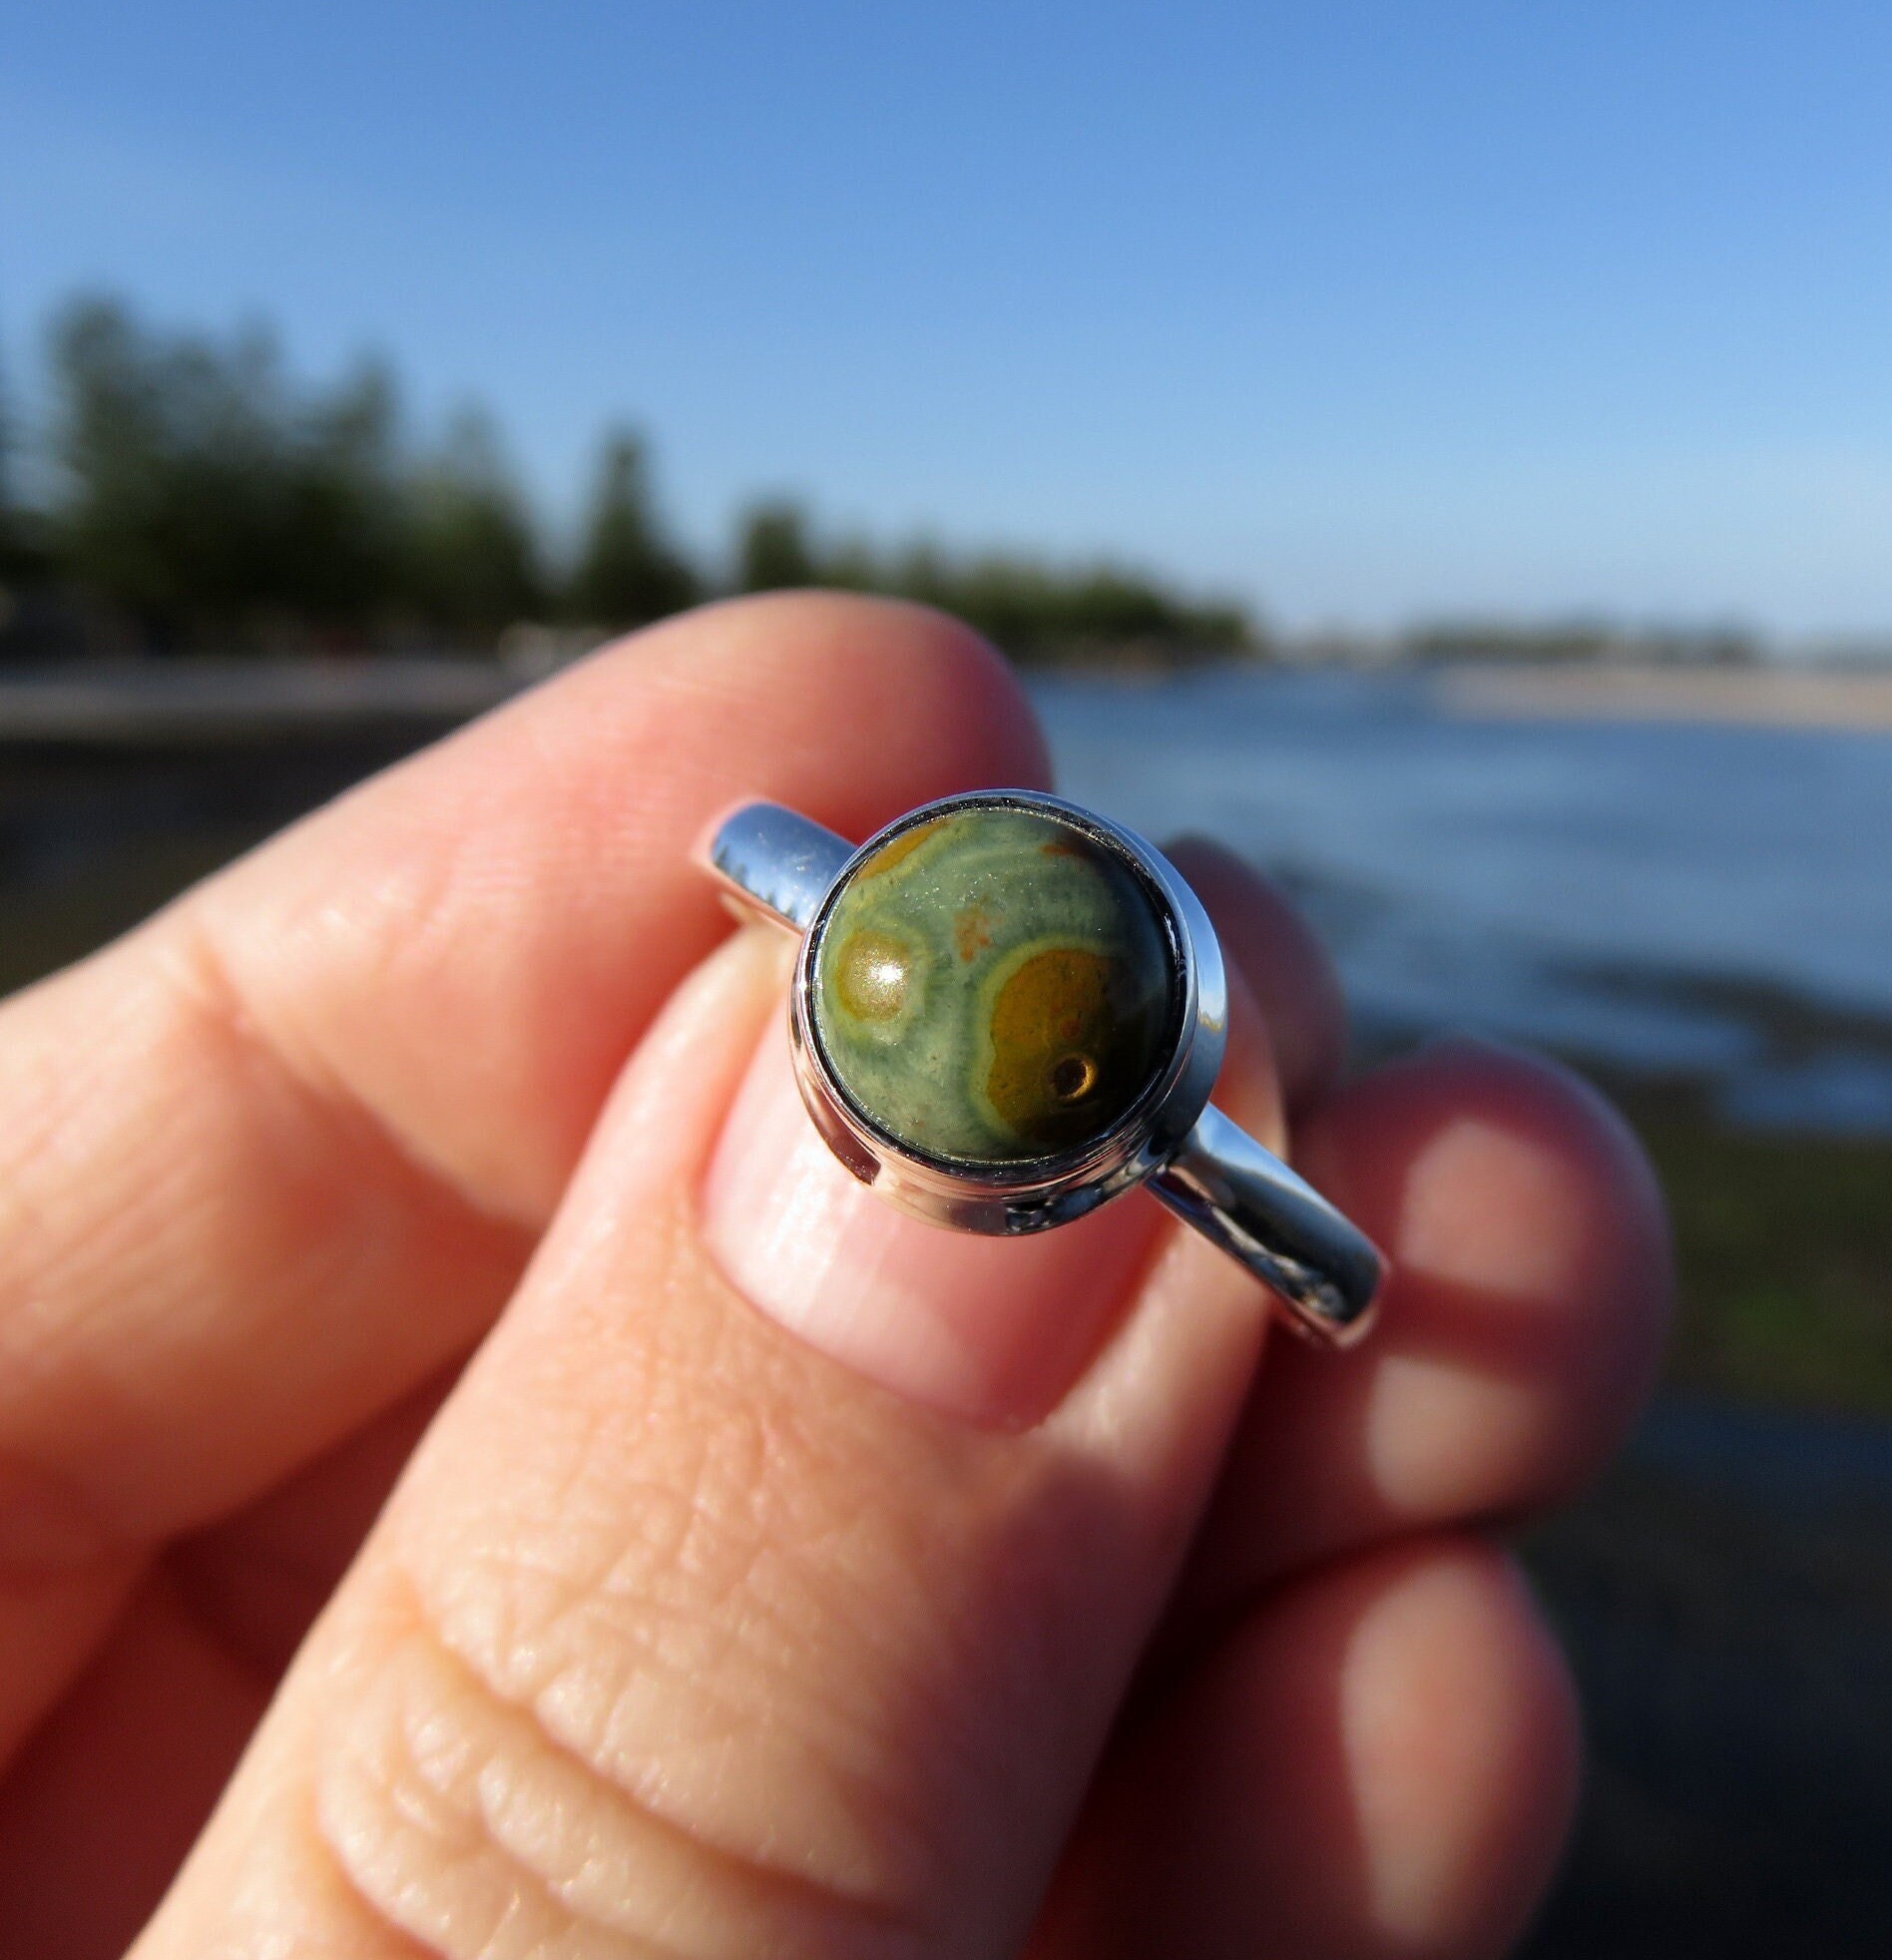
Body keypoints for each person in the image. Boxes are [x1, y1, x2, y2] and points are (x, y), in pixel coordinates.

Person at [0, 594, 1670, 1958]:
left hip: (1077, 1063)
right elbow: (745, 842)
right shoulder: (903, 952)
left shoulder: (1024, 986)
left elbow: (762, 850)